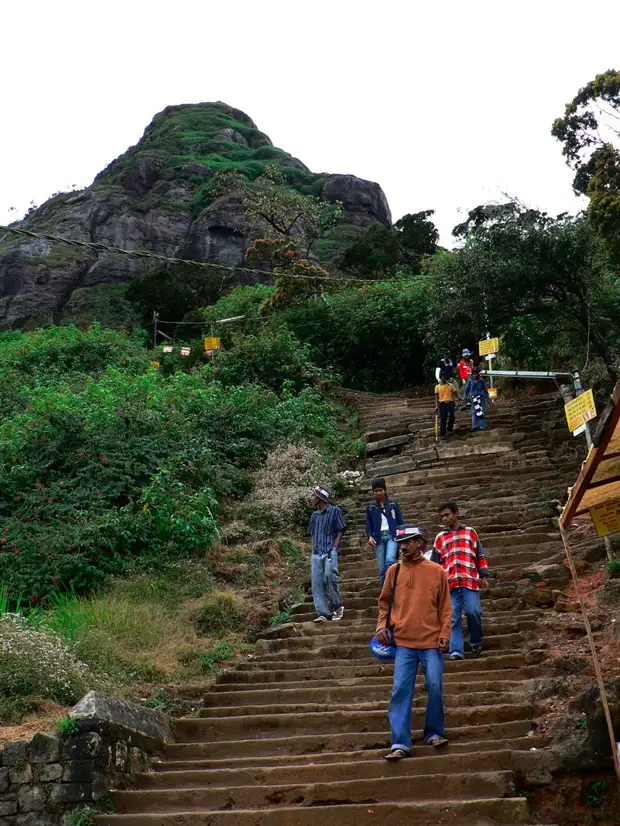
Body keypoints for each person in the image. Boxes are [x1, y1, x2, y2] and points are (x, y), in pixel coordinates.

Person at [376, 524, 452, 759]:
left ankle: (434, 733)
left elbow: (446, 608)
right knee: (400, 691)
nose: (403, 546)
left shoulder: (437, 571)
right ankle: (400, 743)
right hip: (403, 643)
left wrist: (445, 634)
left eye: (409, 541)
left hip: (431, 641)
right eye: (401, 542)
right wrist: (380, 626)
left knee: (435, 686)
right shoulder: (394, 571)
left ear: (421, 543)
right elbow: (384, 603)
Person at [432, 501, 489, 661]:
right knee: (453, 617)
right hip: (449, 584)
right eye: (441, 516)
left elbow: (479, 555)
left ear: (456, 514)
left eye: (447, 515)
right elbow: (435, 563)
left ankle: (475, 642)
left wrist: (484, 575)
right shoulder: (440, 537)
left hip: (469, 580)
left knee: (474, 612)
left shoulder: (470, 532)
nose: (444, 519)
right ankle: (456, 650)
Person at [308, 486, 346, 622]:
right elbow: (312, 533)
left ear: (321, 498)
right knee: (317, 584)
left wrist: (335, 548)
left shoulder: (335, 511)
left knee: (330, 576)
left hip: (330, 550)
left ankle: (337, 607)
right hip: (317, 553)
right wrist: (313, 550)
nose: (313, 499)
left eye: (315, 496)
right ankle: (322, 613)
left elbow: (341, 529)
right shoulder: (314, 515)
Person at [365, 477, 404, 588]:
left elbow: (400, 521)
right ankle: (385, 593)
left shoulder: (393, 505)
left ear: (385, 490)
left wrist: (402, 537)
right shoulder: (371, 508)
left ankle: (393, 586)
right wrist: (369, 536)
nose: (378, 493)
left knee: (390, 560)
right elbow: (368, 524)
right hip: (378, 538)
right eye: (376, 491)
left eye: (380, 490)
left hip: (392, 536)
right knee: (382, 569)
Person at [434, 372, 459, 438]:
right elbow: (436, 397)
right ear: (441, 378)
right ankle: (442, 434)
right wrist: (436, 406)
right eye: (442, 377)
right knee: (443, 419)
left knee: (452, 416)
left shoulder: (451, 385)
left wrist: (461, 399)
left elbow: (456, 394)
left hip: (450, 403)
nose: (444, 378)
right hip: (442, 404)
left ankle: (449, 429)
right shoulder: (437, 387)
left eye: (445, 377)